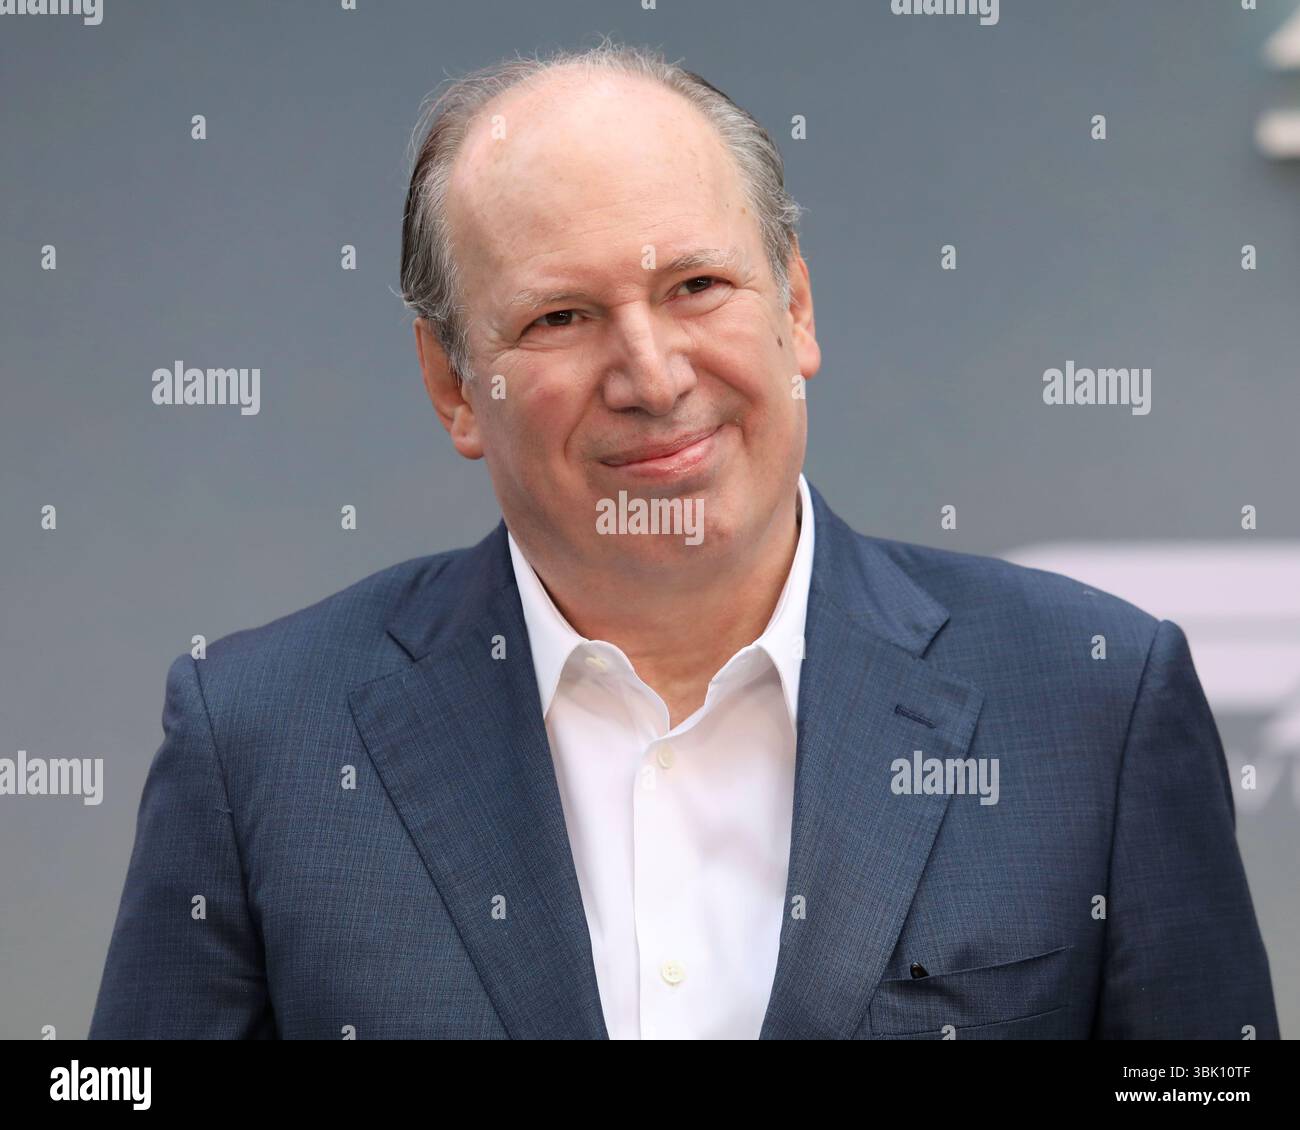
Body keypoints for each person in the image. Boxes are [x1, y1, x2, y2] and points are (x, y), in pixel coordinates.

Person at [89, 40, 1278, 1040]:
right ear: (455, 384)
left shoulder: (1092, 703)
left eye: (699, 286)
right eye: (562, 315)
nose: (652, 376)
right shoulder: (260, 745)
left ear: (796, 309)